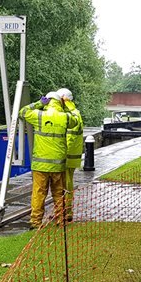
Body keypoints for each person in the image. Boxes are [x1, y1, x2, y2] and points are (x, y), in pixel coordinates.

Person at [18, 92, 76, 229]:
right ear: (59, 102)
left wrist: (38, 103)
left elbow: (22, 112)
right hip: (58, 165)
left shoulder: (38, 115)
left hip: (40, 165)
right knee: (58, 193)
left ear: (47, 101)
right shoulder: (65, 117)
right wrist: (67, 105)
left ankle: (36, 222)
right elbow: (75, 121)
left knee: (39, 194)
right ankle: (60, 221)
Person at [57, 88, 83, 222]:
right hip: (71, 156)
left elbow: (69, 138)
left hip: (67, 157)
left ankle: (66, 212)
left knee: (66, 185)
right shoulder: (74, 112)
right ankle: (65, 211)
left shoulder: (71, 114)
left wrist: (60, 152)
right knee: (67, 184)